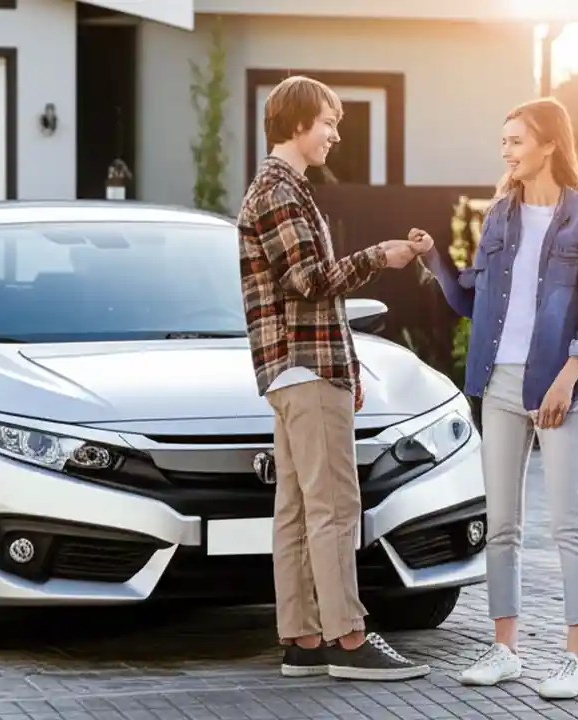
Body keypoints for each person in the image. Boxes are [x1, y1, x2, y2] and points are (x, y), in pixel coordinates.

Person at [412, 97, 578, 700]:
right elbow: (471, 301)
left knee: (568, 525)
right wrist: (433, 259)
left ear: (549, 143)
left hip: (560, 388)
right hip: (498, 384)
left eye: (516, 140)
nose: (506, 151)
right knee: (500, 525)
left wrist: (569, 374)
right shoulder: (499, 215)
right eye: (502, 142)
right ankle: (505, 648)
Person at [237, 75, 429, 682]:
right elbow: (309, 281)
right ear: (297, 123)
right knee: (336, 506)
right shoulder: (278, 191)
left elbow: (309, 298)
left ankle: (301, 639)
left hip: (302, 369)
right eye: (328, 123)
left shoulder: (282, 189)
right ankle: (349, 639)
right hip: (304, 369)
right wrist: (380, 256)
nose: (334, 135)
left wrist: (343, 366)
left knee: (296, 508)